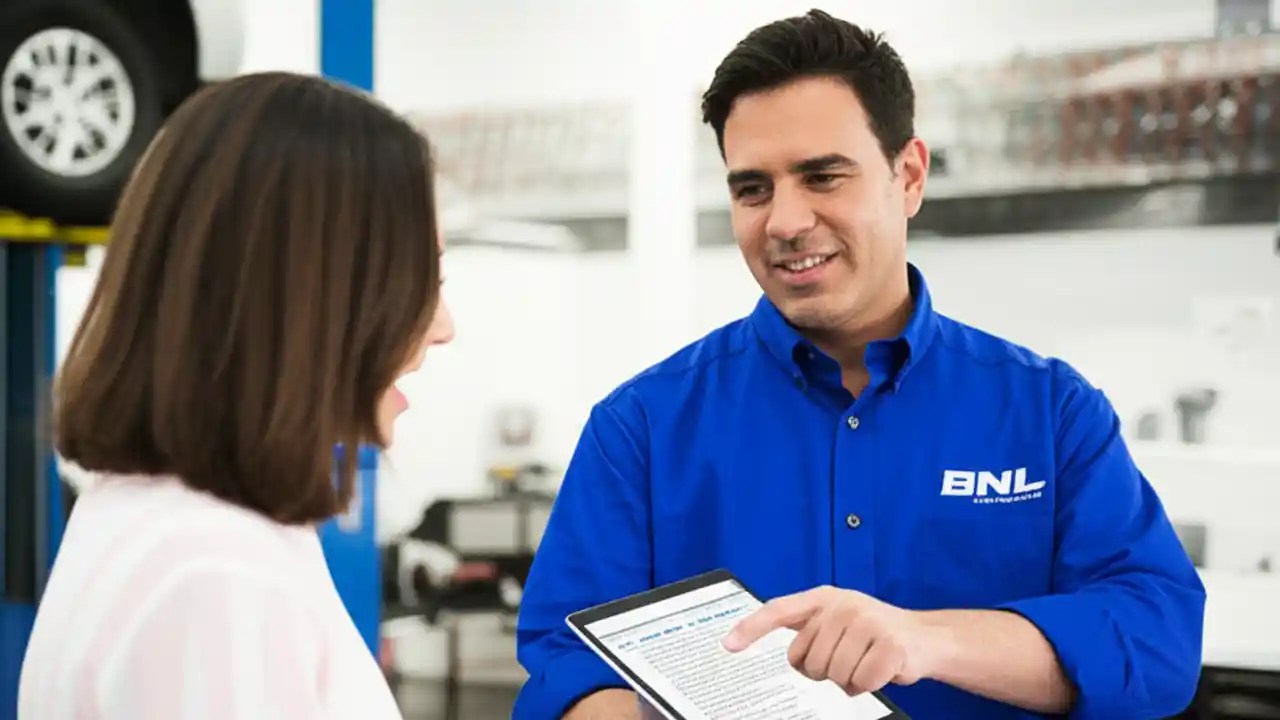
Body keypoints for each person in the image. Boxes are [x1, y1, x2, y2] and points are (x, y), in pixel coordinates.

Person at [514, 10, 1205, 720]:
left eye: (822, 176)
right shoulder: (641, 428)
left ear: (909, 177)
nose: (784, 222)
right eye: (752, 189)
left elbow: (1156, 641)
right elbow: (565, 671)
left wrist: (926, 640)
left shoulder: (1049, 412)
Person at [18, 71, 455, 719]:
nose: (444, 327)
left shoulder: (163, 522)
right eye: (423, 282)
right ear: (311, 296)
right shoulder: (218, 573)